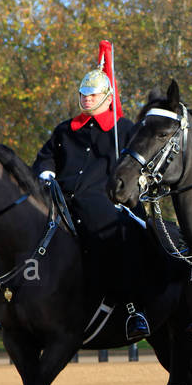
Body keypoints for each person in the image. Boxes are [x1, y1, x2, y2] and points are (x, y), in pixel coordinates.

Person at [32, 41, 147, 340]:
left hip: (102, 203)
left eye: (92, 94)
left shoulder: (124, 129)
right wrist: (46, 170)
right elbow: (47, 156)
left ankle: (133, 310)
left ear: (108, 97)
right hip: (62, 203)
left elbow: (137, 167)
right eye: (83, 94)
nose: (86, 99)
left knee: (114, 241)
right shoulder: (64, 130)